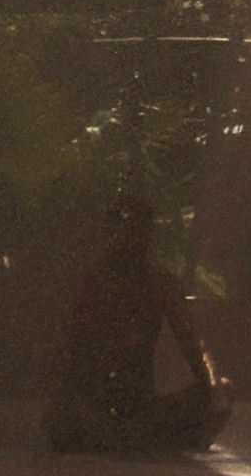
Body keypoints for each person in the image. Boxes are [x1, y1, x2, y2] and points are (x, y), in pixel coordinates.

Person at [45, 187, 231, 456]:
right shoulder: (92, 282)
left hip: (137, 409)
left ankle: (128, 437)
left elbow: (193, 344)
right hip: (97, 407)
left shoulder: (160, 284)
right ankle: (132, 437)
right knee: (63, 414)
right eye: (125, 231)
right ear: (110, 234)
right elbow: (66, 351)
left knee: (222, 390)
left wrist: (213, 389)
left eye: (138, 231)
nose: (131, 239)